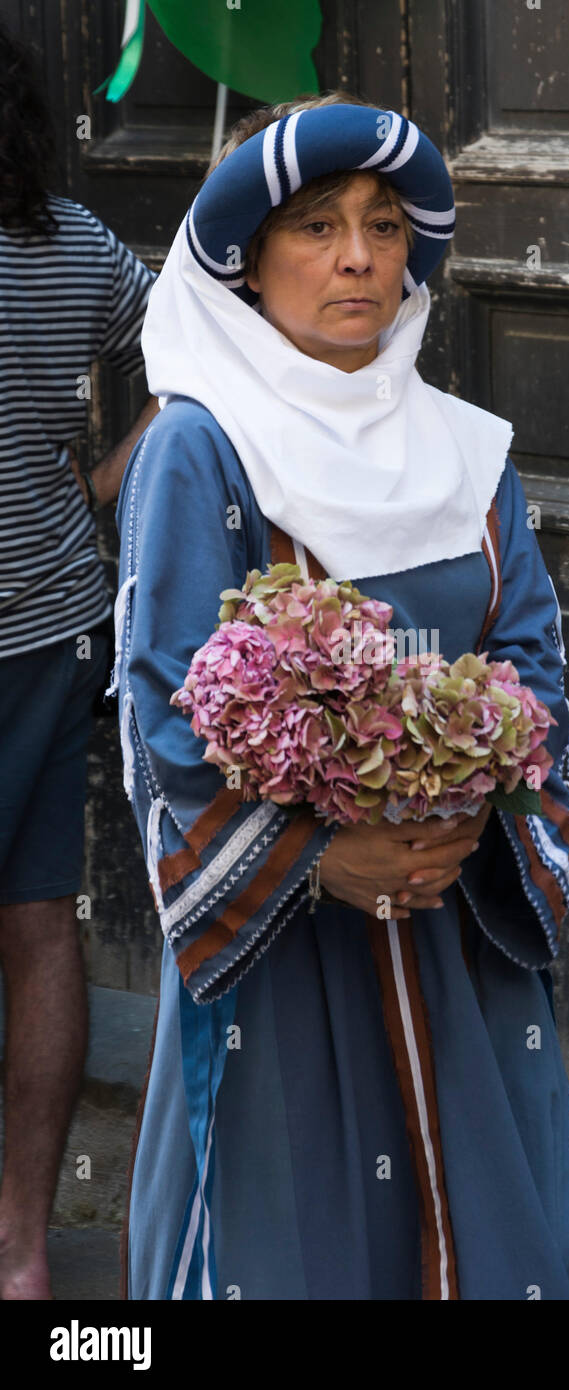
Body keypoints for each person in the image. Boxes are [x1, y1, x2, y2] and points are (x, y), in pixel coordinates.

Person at [114, 91, 569, 1300]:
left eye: (384, 226)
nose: (357, 257)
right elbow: (167, 702)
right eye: (316, 225)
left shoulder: (466, 450)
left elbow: (531, 661)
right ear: (245, 260)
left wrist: (457, 817)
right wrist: (325, 857)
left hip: (455, 926)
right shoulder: (204, 446)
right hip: (292, 959)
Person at [0, 22, 159, 1300]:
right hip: (55, 628)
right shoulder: (72, 245)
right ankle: (25, 1253)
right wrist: (104, 477)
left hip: (44, 633)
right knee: (42, 931)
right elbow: (193, 349)